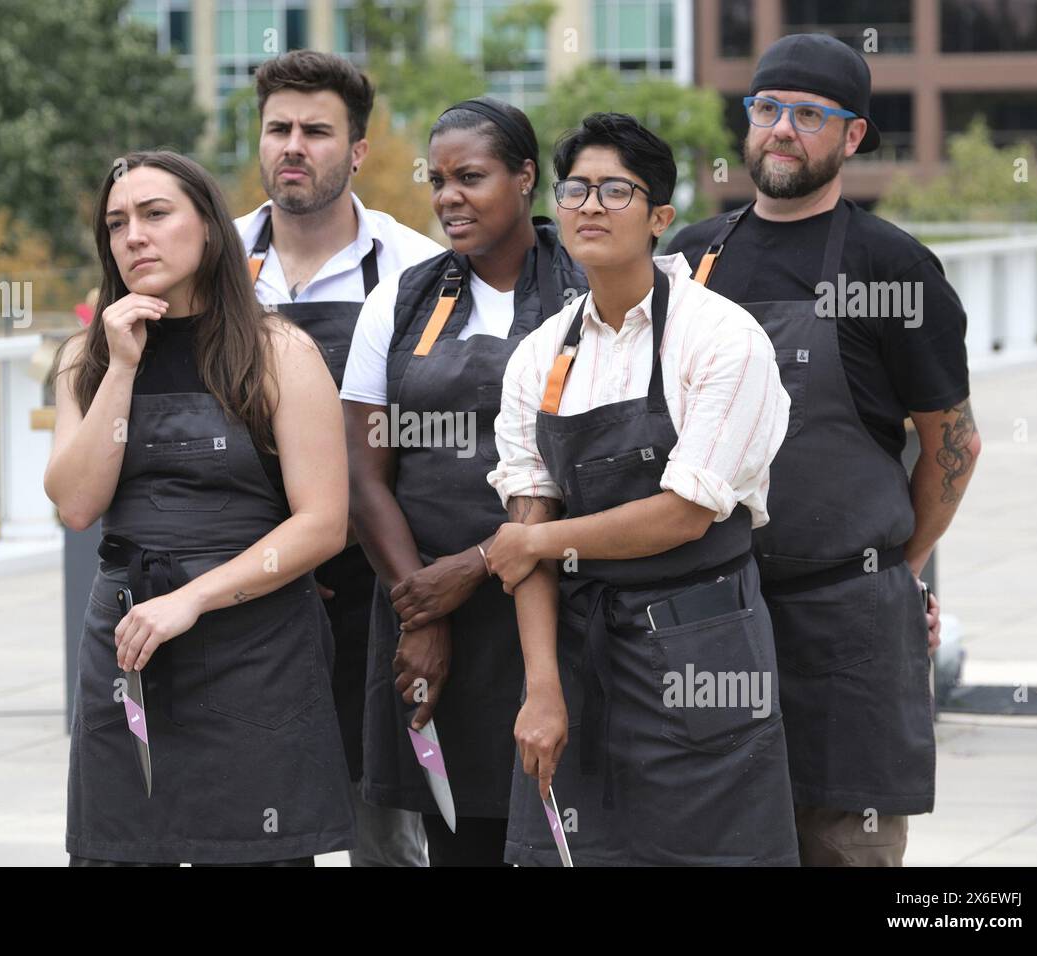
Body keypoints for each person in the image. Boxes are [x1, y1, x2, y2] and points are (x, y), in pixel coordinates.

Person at [665, 33, 980, 866]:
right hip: (709, 615)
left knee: (845, 846)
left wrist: (897, 568)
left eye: (810, 115)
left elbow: (955, 444)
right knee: (712, 839)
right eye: (766, 109)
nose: (781, 129)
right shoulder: (688, 261)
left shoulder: (895, 267)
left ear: (852, 137)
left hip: (848, 624)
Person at [485, 113, 798, 866]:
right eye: (576, 189)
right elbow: (525, 522)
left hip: (704, 649)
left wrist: (540, 539)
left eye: (616, 190)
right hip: (581, 650)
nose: (590, 206)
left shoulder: (720, 337)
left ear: (661, 216)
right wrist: (542, 687)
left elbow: (684, 514)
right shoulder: (539, 355)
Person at [48, 150, 355, 865]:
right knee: (117, 851)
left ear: (210, 230)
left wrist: (192, 599)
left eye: (156, 215)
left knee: (257, 851)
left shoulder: (279, 351)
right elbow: (76, 503)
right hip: (127, 642)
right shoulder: (85, 359)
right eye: (117, 223)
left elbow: (322, 524)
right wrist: (122, 366)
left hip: (256, 647)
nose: (134, 237)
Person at [341, 97, 587, 866]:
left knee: (564, 831)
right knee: (459, 839)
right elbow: (361, 471)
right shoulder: (402, 298)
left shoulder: (588, 291)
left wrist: (476, 567)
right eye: (439, 180)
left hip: (558, 611)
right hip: (422, 610)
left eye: (471, 178)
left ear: (525, 178)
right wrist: (421, 608)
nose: (449, 198)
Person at [233, 50, 441, 867]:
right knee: (248, 816)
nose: (293, 145)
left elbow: (429, 438)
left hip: (376, 588)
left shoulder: (417, 269)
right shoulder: (212, 268)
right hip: (243, 580)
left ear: (357, 151)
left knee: (383, 824)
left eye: (316, 131)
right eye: (278, 128)